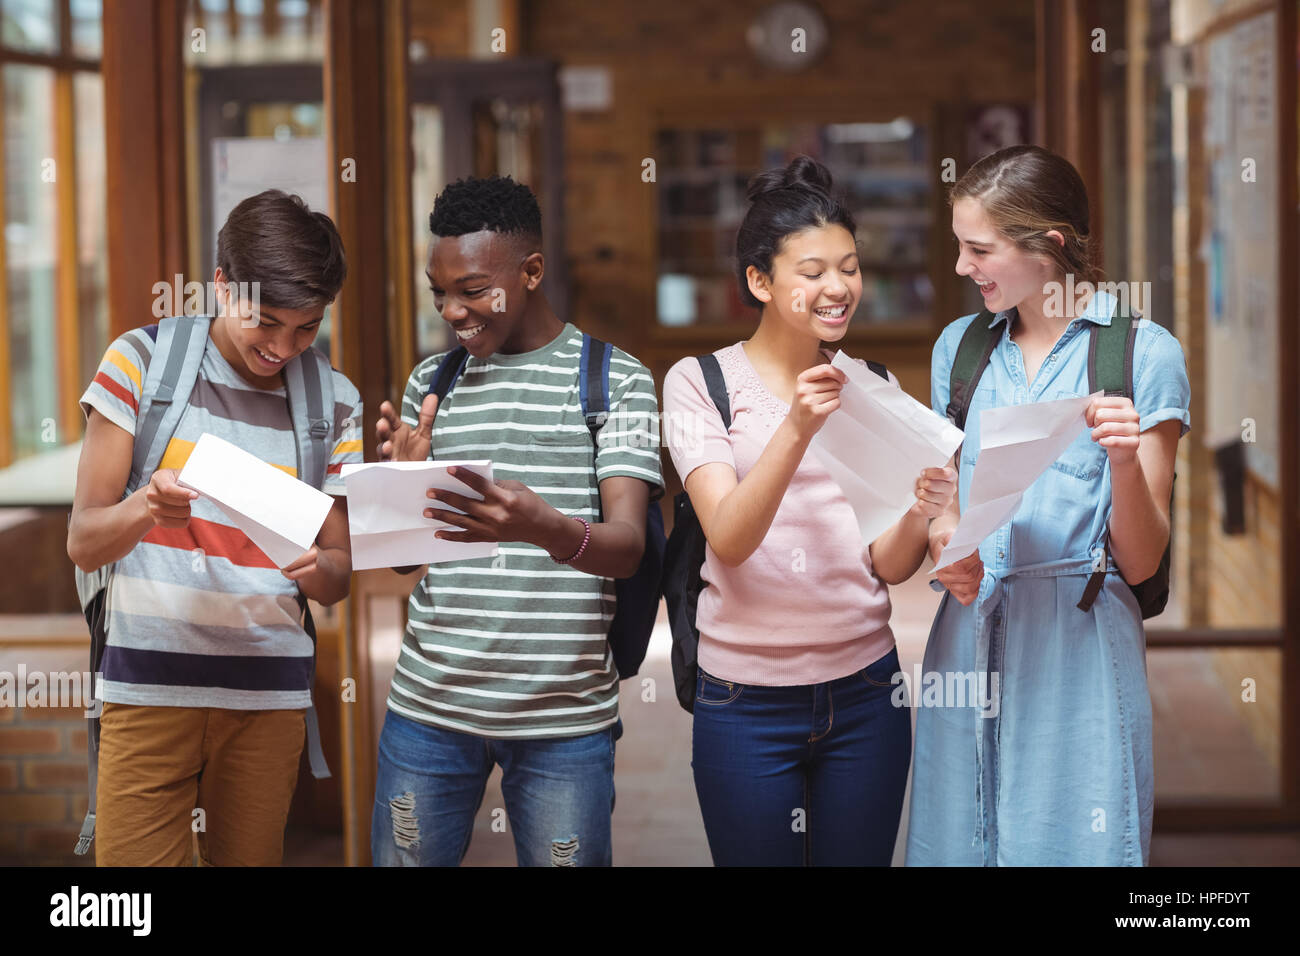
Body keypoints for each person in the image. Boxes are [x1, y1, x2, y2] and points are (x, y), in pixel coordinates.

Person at [661, 155, 956, 866]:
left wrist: (920, 510)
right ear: (760, 282)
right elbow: (728, 539)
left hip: (866, 694)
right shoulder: (700, 384)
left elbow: (885, 564)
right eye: (813, 271)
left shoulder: (873, 382)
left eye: (849, 267)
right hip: (744, 703)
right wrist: (796, 427)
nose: (838, 287)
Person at [907, 144, 1190, 866]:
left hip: (1081, 636)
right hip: (966, 636)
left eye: (979, 249)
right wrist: (947, 542)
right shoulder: (960, 349)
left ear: (1049, 247)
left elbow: (1143, 555)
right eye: (959, 248)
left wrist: (1123, 463)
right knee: (957, 840)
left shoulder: (1141, 355)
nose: (964, 267)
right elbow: (947, 497)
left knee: (1072, 839)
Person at [370, 175, 663, 867]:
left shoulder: (614, 381)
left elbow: (625, 549)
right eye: (439, 292)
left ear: (531, 271)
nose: (453, 310)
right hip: (429, 712)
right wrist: (404, 490)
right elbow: (405, 566)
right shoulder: (430, 385)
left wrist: (543, 527)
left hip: (563, 721)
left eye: (473, 289)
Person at [67, 190, 361, 866]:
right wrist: (147, 508)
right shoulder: (140, 364)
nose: (283, 348)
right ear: (222, 285)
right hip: (146, 689)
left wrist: (323, 571)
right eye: (265, 322)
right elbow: (83, 540)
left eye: (307, 328)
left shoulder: (334, 401)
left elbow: (339, 573)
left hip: (267, 702)